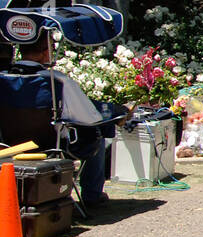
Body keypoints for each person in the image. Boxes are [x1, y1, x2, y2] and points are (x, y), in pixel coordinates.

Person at [0, 40, 128, 207]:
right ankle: (92, 195)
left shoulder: (2, 78)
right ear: (44, 53)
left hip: (10, 146)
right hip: (50, 147)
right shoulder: (57, 81)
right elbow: (88, 116)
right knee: (97, 135)